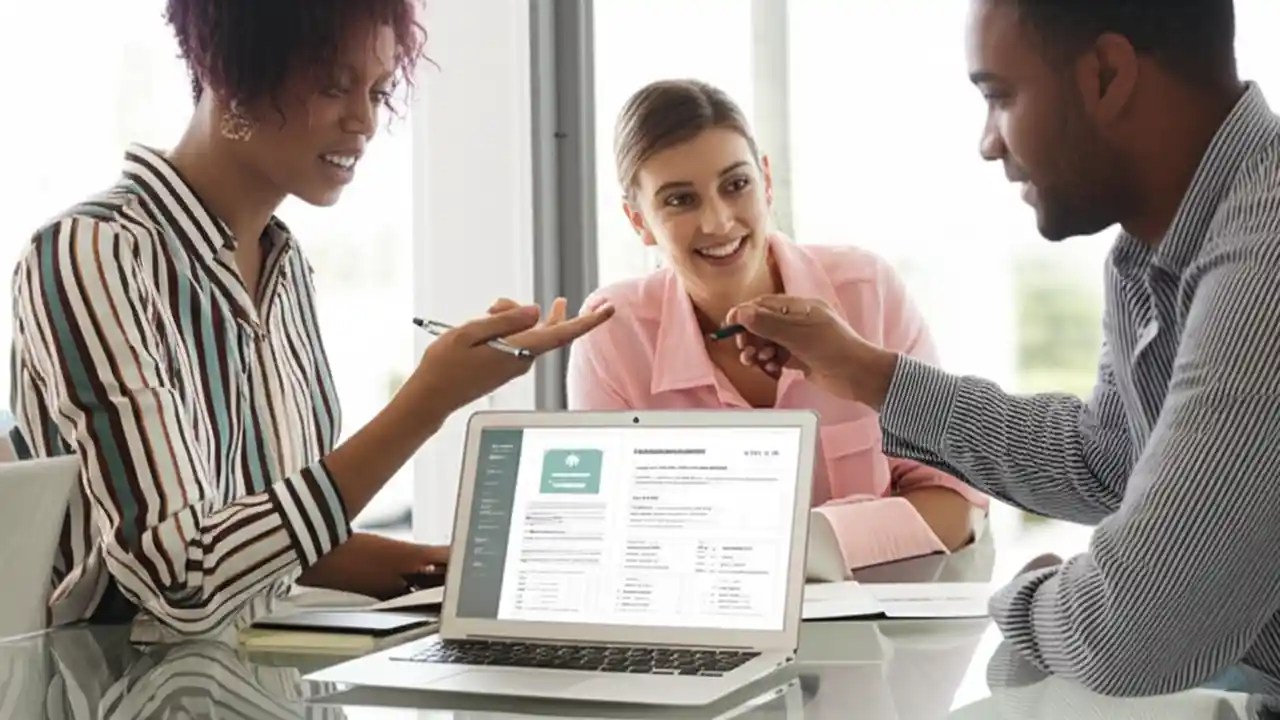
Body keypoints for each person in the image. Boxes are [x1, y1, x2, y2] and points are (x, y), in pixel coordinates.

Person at [726, 0, 1280, 697]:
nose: (989, 142)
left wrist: (1022, 602)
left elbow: (1131, 630)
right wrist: (869, 373)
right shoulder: (1145, 256)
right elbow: (1103, 459)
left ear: (1107, 74)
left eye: (1000, 96)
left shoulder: (1267, 255)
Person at [8, 0, 612, 638]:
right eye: (334, 85)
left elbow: (280, 542)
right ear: (231, 74)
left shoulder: (284, 265)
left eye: (379, 91)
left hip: (266, 684)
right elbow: (182, 576)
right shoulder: (92, 253)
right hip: (119, 694)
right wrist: (428, 401)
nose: (366, 121)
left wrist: (471, 572)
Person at [566, 79, 989, 570]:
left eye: (735, 184)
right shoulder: (612, 334)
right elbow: (610, 537)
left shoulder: (866, 291)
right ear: (637, 220)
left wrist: (799, 547)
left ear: (765, 180)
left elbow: (954, 501)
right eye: (680, 200)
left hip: (883, 634)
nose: (719, 221)